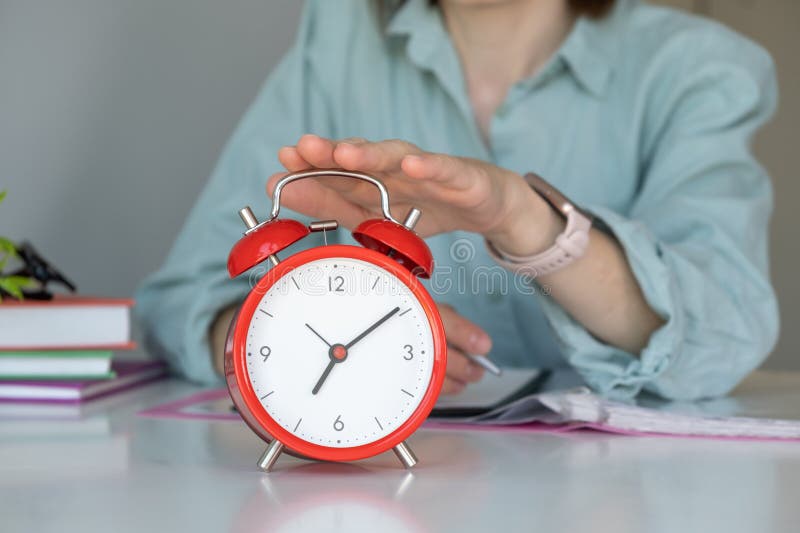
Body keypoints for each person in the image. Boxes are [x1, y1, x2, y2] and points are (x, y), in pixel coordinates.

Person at [135, 0, 779, 400]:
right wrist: (288, 341)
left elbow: (722, 337)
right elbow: (185, 298)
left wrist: (525, 221)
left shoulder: (699, 67)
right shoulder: (337, 38)